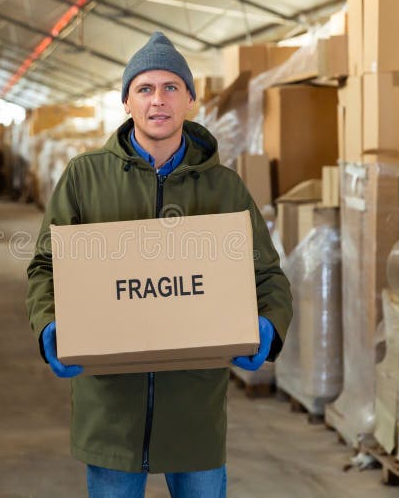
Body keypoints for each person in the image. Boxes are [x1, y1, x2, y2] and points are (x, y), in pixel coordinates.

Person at [26, 31, 292, 498]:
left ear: (190, 98)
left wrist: (268, 324)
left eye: (171, 87)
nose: (158, 100)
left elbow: (266, 275)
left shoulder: (224, 189)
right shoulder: (84, 178)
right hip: (111, 407)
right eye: (145, 89)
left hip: (194, 409)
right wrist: (50, 327)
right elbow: (46, 267)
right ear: (126, 101)